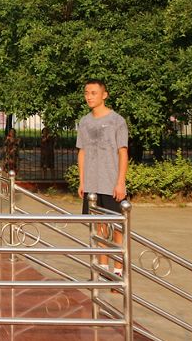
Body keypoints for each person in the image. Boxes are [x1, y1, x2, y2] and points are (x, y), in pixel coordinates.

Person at [76, 78, 129, 277]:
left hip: (111, 182)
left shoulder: (117, 120)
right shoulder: (84, 122)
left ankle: (118, 270)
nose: (89, 96)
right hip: (91, 184)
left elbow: (123, 152)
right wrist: (82, 181)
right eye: (86, 93)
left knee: (116, 227)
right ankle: (104, 268)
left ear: (104, 95)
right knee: (98, 227)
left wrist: (120, 182)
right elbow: (81, 152)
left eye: (93, 93)